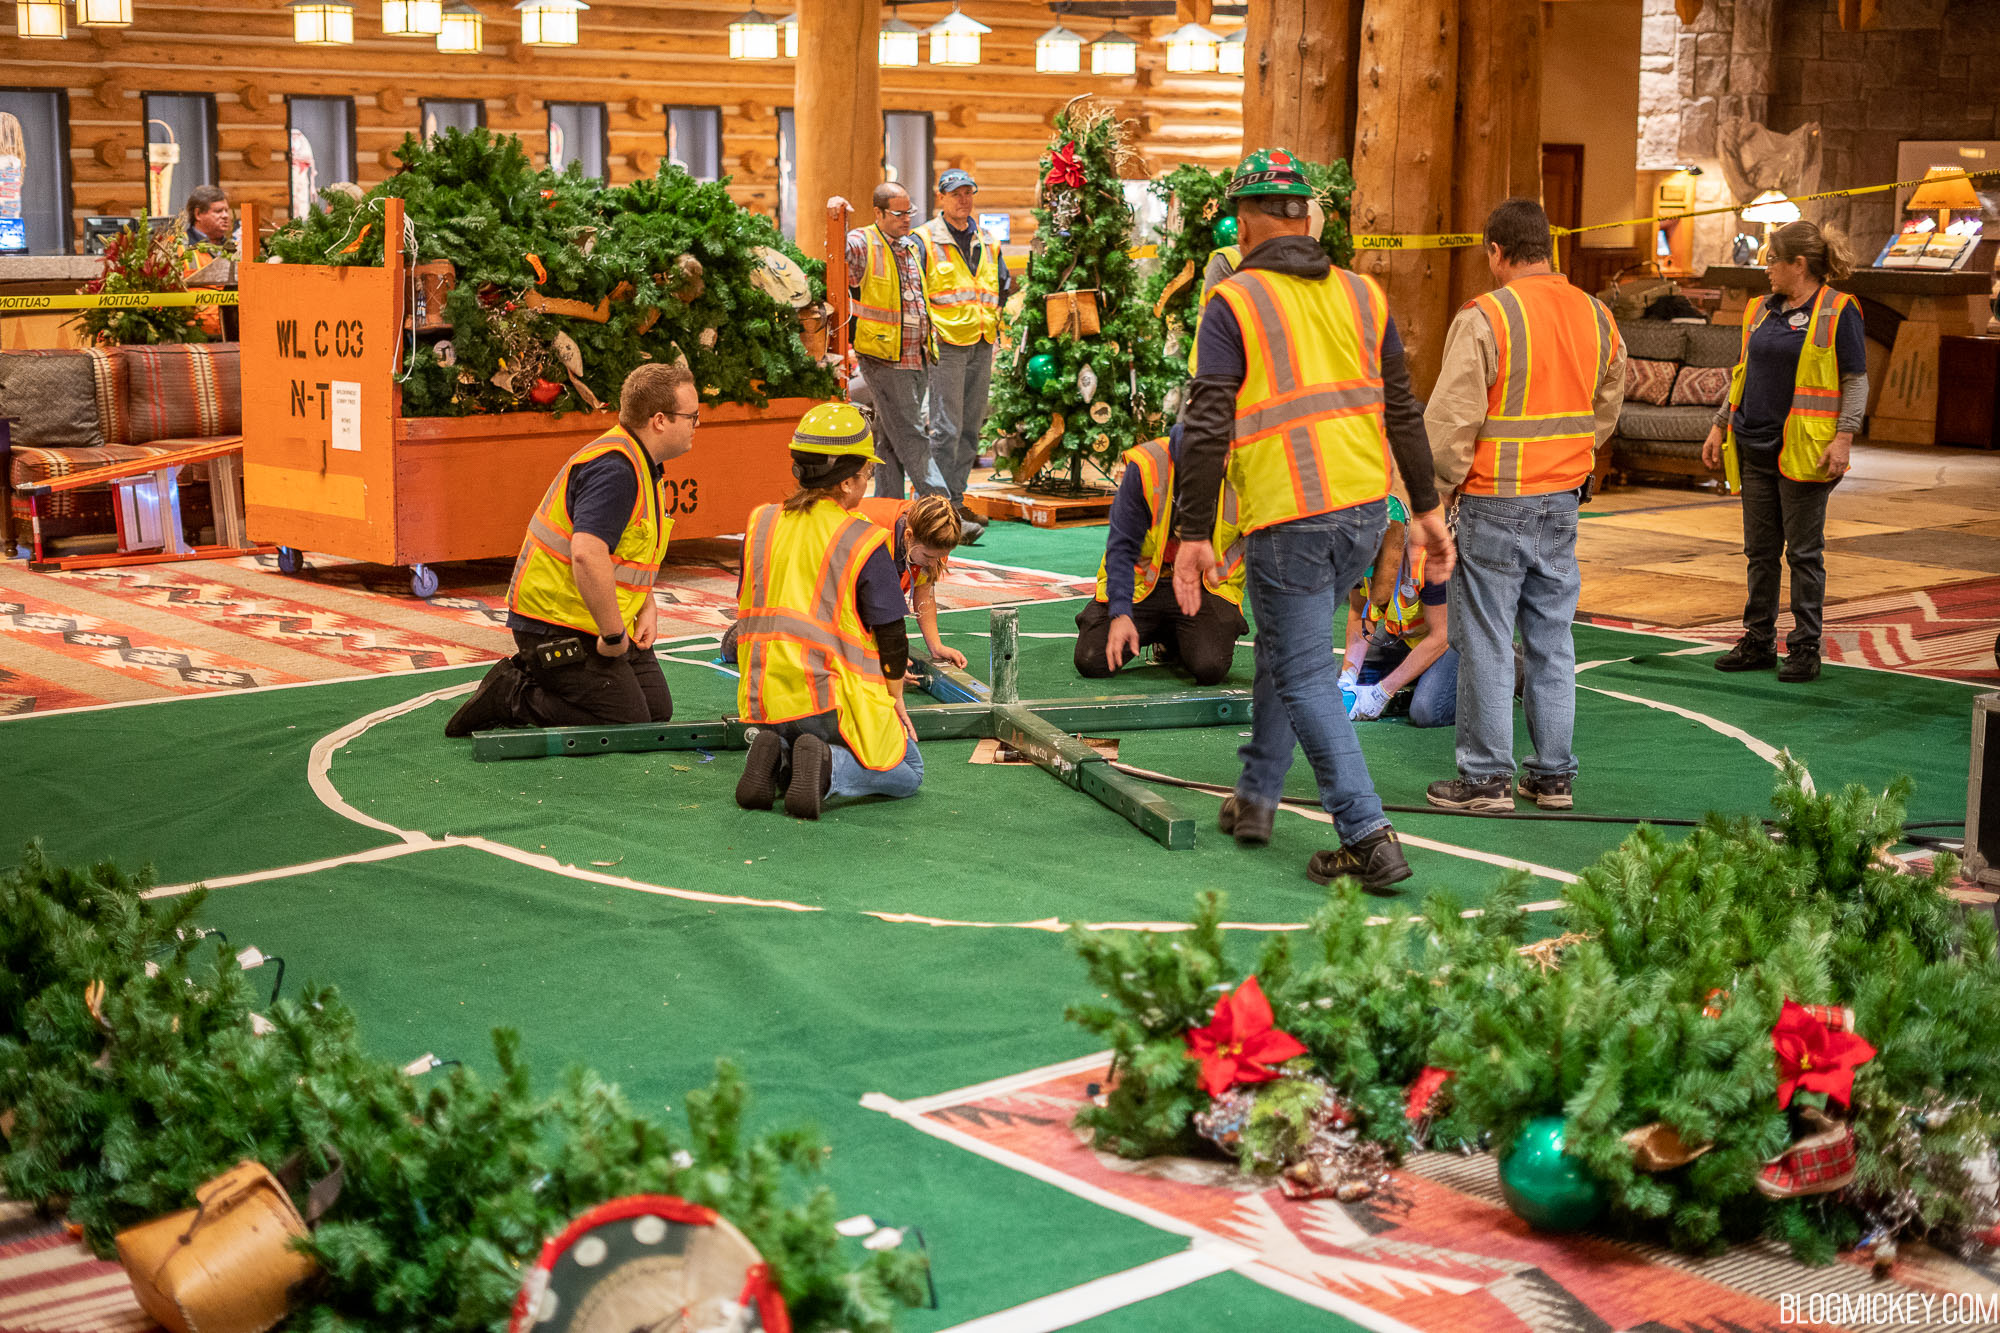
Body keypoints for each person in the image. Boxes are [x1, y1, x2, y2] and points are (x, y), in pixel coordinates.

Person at [1171, 147, 1455, 894]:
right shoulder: (1364, 295)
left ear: (1245, 219)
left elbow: (1204, 425)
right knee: (1283, 653)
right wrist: (1424, 510)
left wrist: (1193, 534)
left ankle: (1366, 835)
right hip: (1361, 516)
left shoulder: (1234, 301)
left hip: (1291, 516)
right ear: (1305, 215)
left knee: (1298, 669)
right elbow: (1402, 408)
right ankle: (1259, 794)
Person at [1423, 198, 1625, 813]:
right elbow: (1608, 402)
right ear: (1550, 248)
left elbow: (1453, 421)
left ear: (1496, 252)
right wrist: (1571, 458)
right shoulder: (1596, 315)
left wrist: (1436, 497)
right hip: (1562, 505)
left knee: (1484, 639)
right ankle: (1552, 776)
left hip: (1493, 504)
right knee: (1552, 638)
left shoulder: (1487, 314)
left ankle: (1485, 780)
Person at [444, 362, 698, 737]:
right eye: (692, 416)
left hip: (591, 616)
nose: (697, 425)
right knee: (628, 722)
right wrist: (613, 636)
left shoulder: (643, 464)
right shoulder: (616, 470)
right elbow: (587, 553)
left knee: (656, 710)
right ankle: (511, 695)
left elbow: (627, 552)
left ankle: (553, 678)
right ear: (659, 420)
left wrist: (646, 604)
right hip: (555, 625)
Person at [734, 403, 925, 820]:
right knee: (910, 770)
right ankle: (828, 770)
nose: (868, 482)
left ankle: (778, 757)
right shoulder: (862, 539)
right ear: (848, 482)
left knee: (800, 738)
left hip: (765, 699)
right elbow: (892, 637)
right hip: (829, 703)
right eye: (867, 474)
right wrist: (896, 700)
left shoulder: (761, 522)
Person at [1699, 219, 1865, 685]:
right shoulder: (1759, 310)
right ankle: (1758, 640)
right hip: (1754, 445)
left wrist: (1845, 435)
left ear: (1800, 264)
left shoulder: (1837, 310)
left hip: (1805, 451)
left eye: (1773, 259)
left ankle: (1806, 646)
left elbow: (1855, 380)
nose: (1766, 267)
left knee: (1804, 554)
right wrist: (1719, 425)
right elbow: (1742, 374)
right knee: (1760, 551)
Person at [1075, 424, 1246, 688]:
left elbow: (1267, 547)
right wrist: (1120, 612)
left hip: (1207, 588)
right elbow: (1121, 546)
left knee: (1210, 668)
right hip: (1142, 587)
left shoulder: (1244, 469)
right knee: (1091, 661)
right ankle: (1163, 633)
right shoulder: (1146, 467)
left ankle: (1177, 640)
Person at [917, 168, 1006, 537]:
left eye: (968, 193)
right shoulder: (923, 240)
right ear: (942, 197)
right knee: (946, 429)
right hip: (947, 345)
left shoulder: (987, 239)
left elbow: (1000, 283)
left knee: (971, 429)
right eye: (956, 194)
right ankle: (938, 511)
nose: (963, 199)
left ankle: (956, 499)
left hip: (982, 342)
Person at [846, 183, 948, 503]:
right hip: (884, 357)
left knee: (891, 436)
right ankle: (941, 506)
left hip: (916, 355)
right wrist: (836, 217)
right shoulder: (863, 241)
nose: (906, 219)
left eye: (910, 212)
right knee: (911, 434)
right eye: (898, 213)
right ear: (878, 213)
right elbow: (837, 251)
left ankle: (889, 507)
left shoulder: (910, 246)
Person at [1342, 500, 1458, 728]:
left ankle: (1507, 669)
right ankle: (1420, 675)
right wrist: (1349, 674)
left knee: (1427, 710)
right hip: (1404, 635)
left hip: (1452, 639)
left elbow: (1442, 635)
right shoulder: (1357, 554)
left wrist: (1383, 693)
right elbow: (1358, 613)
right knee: (1345, 685)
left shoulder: (1428, 557)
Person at [858, 493, 970, 669]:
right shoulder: (872, 532)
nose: (934, 563)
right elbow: (859, 602)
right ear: (909, 536)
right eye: (928, 556)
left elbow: (924, 591)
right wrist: (887, 655)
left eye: (939, 557)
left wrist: (936, 646)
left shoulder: (934, 541)